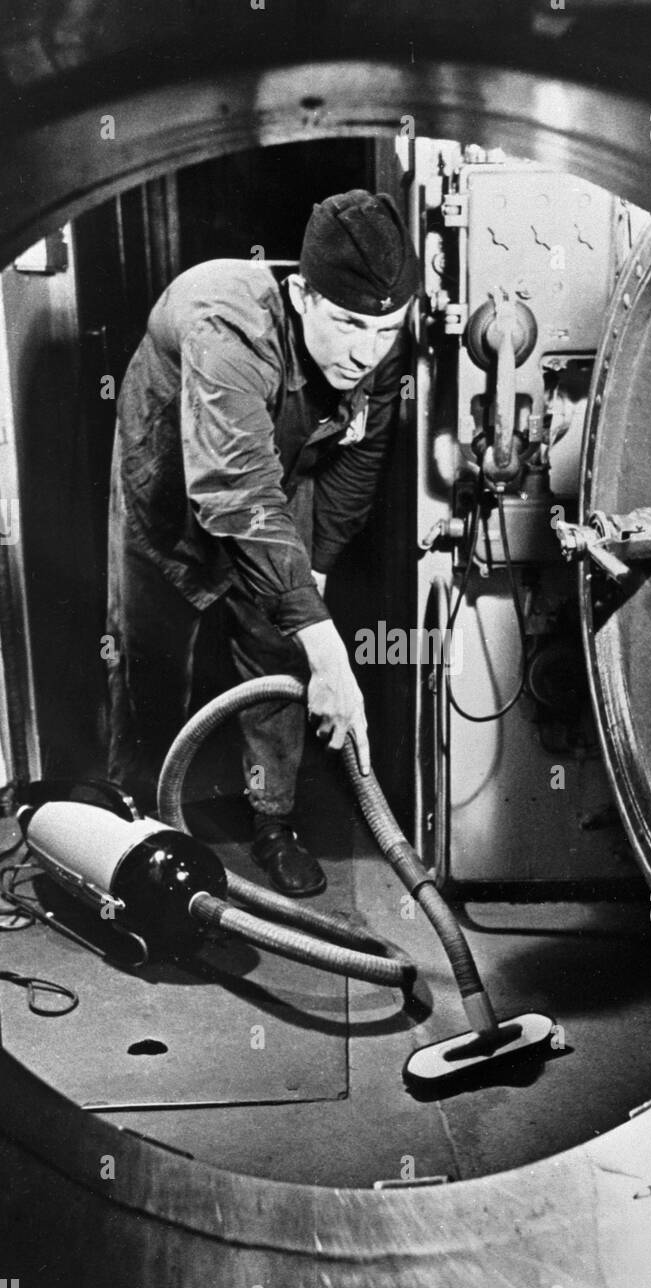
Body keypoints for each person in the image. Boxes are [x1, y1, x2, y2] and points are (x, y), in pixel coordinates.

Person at [106, 189, 421, 896]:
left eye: (386, 333)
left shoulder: (376, 346)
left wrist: (315, 574)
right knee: (149, 650)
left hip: (274, 481)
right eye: (346, 326)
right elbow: (235, 492)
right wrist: (329, 644)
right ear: (304, 295)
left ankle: (273, 820)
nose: (366, 353)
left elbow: (354, 468)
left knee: (279, 644)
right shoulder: (225, 319)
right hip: (170, 488)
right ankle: (134, 822)